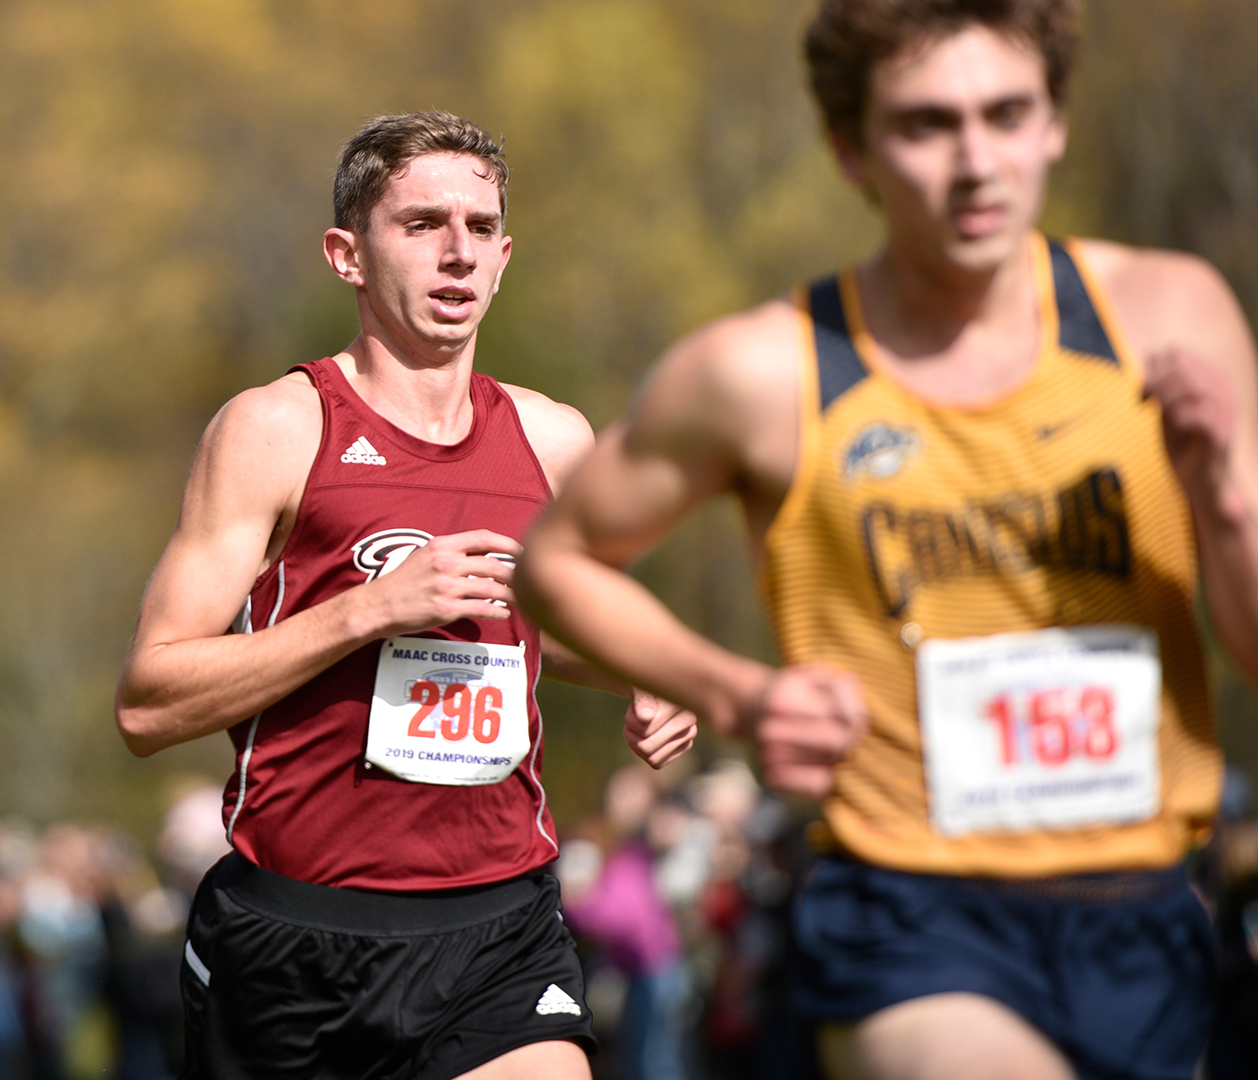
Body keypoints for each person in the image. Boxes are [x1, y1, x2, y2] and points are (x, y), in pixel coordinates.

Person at [515, 1, 1258, 1078]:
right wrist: (736, 694)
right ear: (850, 150)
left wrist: (1226, 500)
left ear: (1055, 123)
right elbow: (557, 560)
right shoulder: (765, 371)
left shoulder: (1166, 312)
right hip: (911, 914)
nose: (974, 164)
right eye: (926, 125)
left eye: (1007, 115)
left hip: (1145, 911)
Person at [115, 111, 679, 1080]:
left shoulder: (554, 442)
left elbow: (555, 630)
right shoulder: (278, 431)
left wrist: (647, 668)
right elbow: (147, 701)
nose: (459, 253)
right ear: (348, 255)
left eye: (482, 228)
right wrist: (365, 609)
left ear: (506, 257)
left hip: (499, 931)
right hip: (298, 945)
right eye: (422, 225)